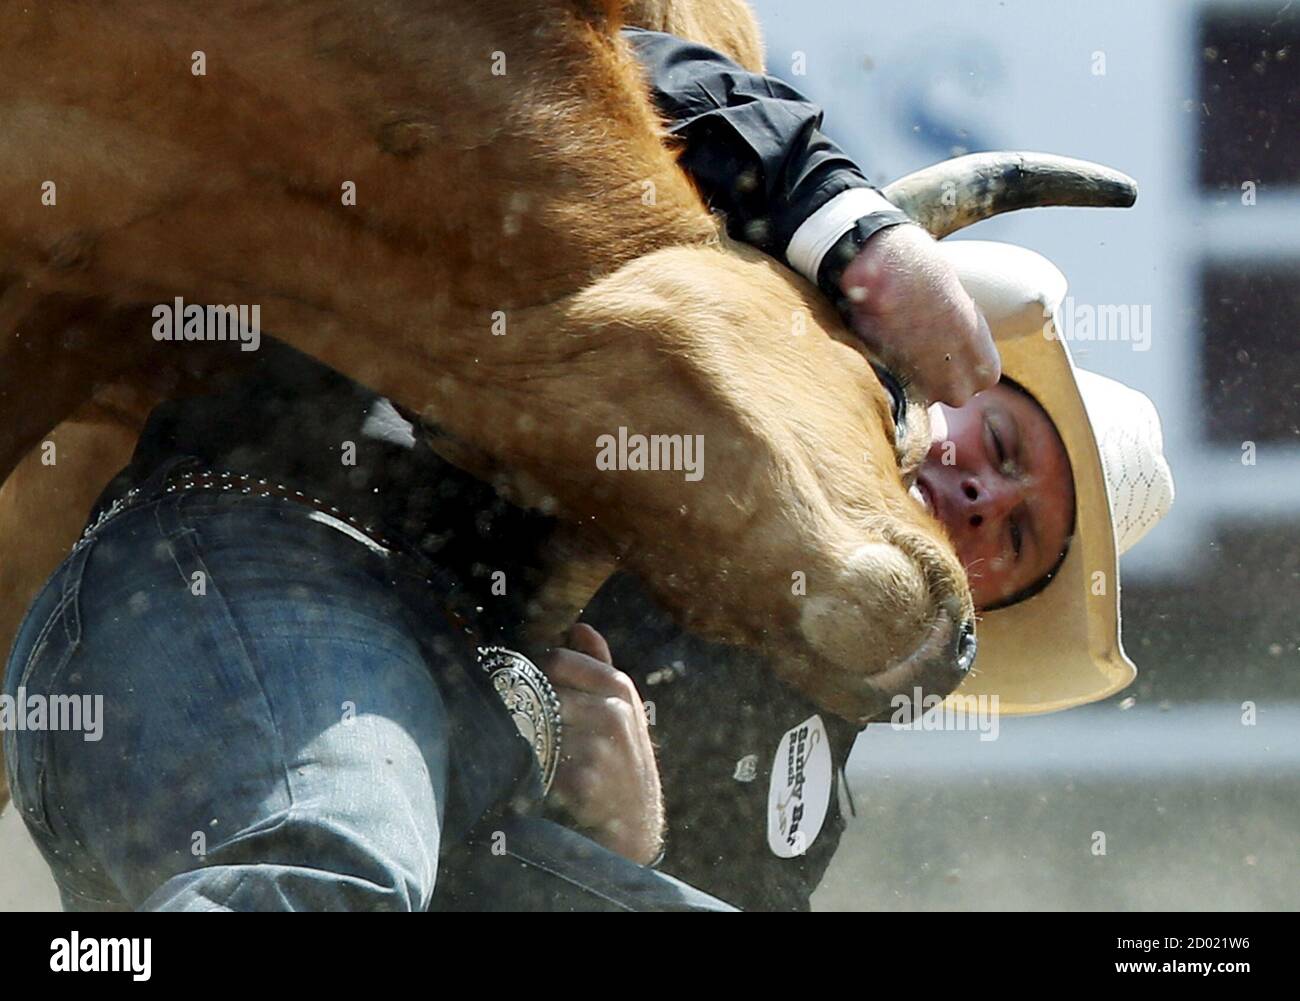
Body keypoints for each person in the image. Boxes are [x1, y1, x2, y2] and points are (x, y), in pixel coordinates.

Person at [1, 28, 1170, 912]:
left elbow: (732, 885)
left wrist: (635, 842)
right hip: (280, 556)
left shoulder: (796, 751)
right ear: (961, 375)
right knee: (332, 850)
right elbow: (574, 76)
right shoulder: (774, 261)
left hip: (382, 768)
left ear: (989, 602)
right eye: (1004, 451)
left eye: (1012, 538)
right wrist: (853, 230)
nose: (977, 496)